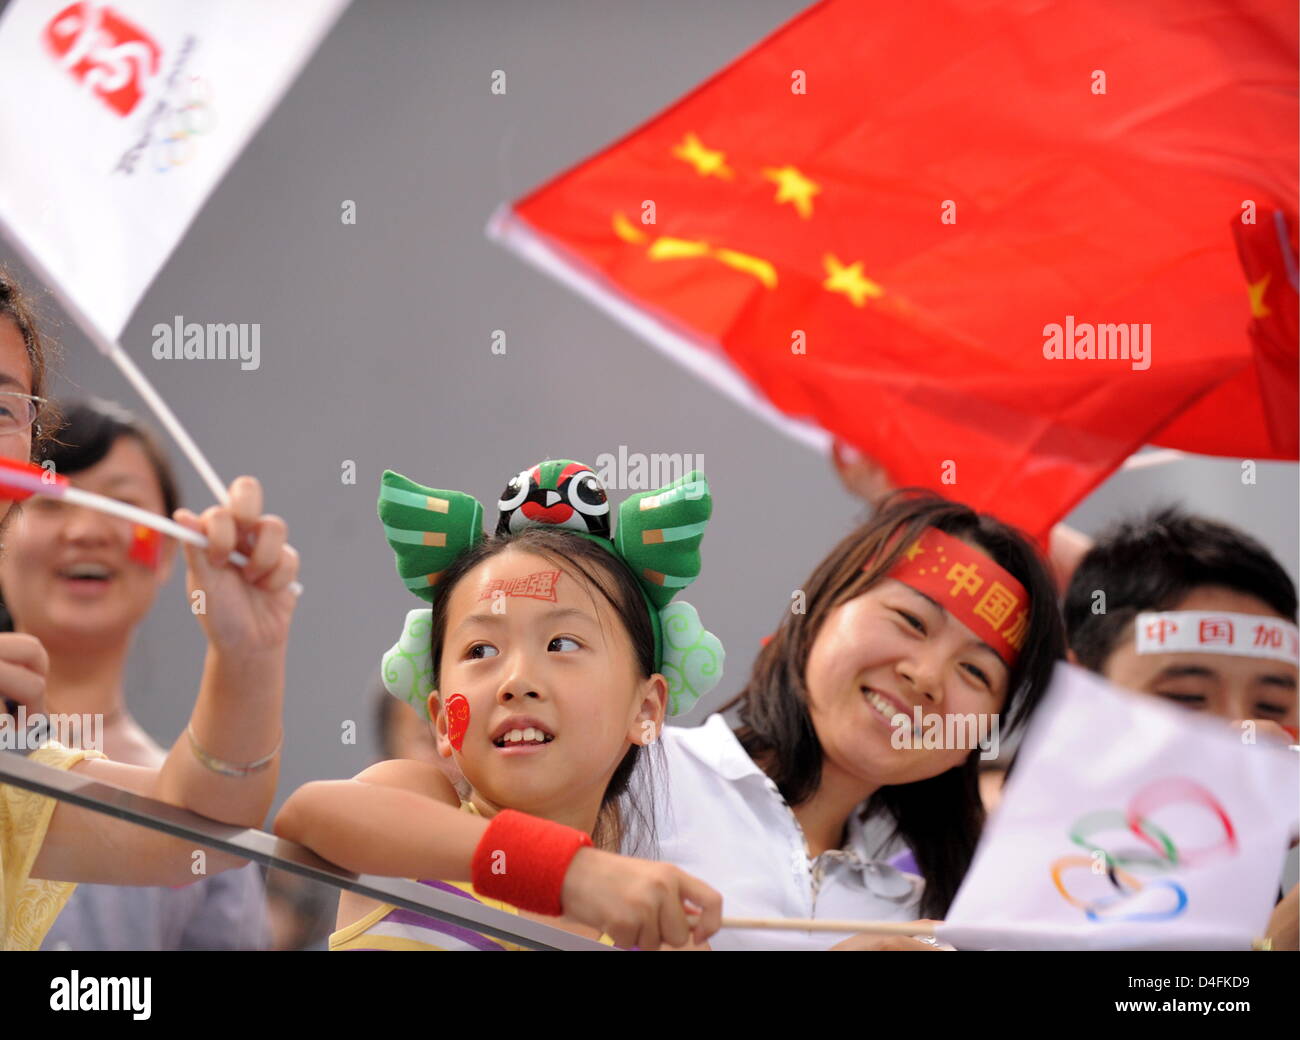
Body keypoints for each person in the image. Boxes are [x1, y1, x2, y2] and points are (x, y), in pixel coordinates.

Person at [274, 460, 725, 950]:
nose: (516, 681)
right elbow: (309, 816)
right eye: (481, 651)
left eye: (563, 644)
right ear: (443, 721)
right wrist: (564, 871)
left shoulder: (657, 935)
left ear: (647, 709)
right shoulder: (410, 804)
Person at [0, 266, 298, 950]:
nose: (85, 530)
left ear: (167, 552)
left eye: (122, 506)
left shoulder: (33, 777)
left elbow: (203, 826)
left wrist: (248, 652)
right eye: (52, 499)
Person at [635, 489, 1066, 950]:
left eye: (975, 672)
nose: (926, 678)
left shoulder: (916, 922)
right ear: (820, 611)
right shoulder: (638, 774)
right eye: (911, 621)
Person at [1062, 506, 1299, 950]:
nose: (1244, 734)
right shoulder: (955, 892)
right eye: (1186, 697)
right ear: (1078, 696)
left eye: (1272, 705)